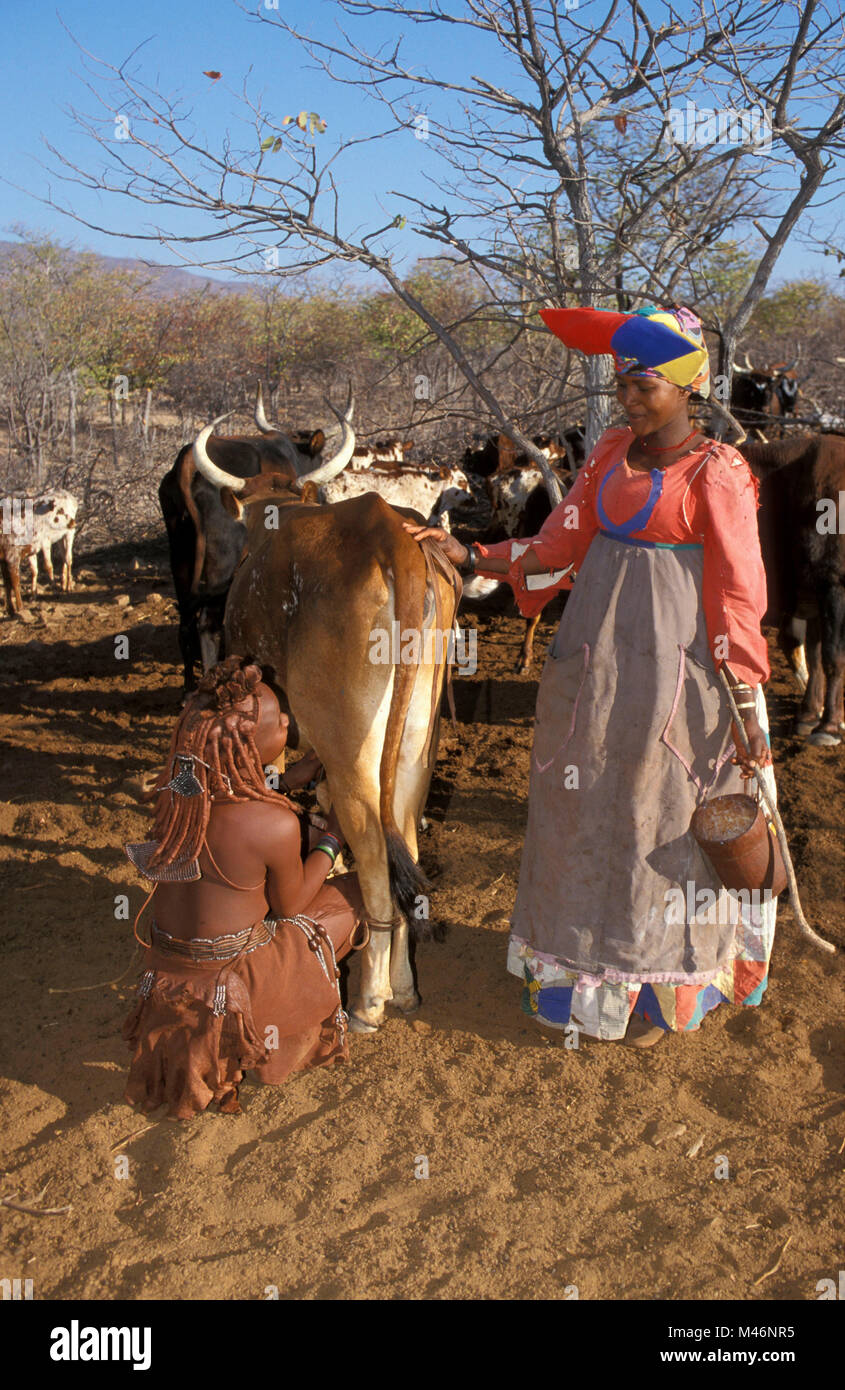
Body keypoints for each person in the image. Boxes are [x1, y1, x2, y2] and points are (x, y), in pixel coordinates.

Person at [406, 304, 778, 1047]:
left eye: (644, 385)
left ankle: (658, 991)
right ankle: (583, 979)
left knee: (660, 815)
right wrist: (474, 556)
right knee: (579, 805)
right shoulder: (610, 451)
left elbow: (739, 592)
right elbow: (556, 544)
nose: (629, 400)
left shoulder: (718, 470)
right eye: (622, 385)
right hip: (594, 663)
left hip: (680, 672)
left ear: (687, 387)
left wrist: (742, 700)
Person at [122, 656, 366, 1117]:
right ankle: (274, 1032)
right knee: (354, 895)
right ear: (247, 743)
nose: (289, 722)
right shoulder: (271, 824)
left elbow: (225, 801)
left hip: (168, 970)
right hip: (235, 980)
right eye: (279, 720)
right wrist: (334, 837)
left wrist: (282, 780)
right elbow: (291, 904)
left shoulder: (174, 791)